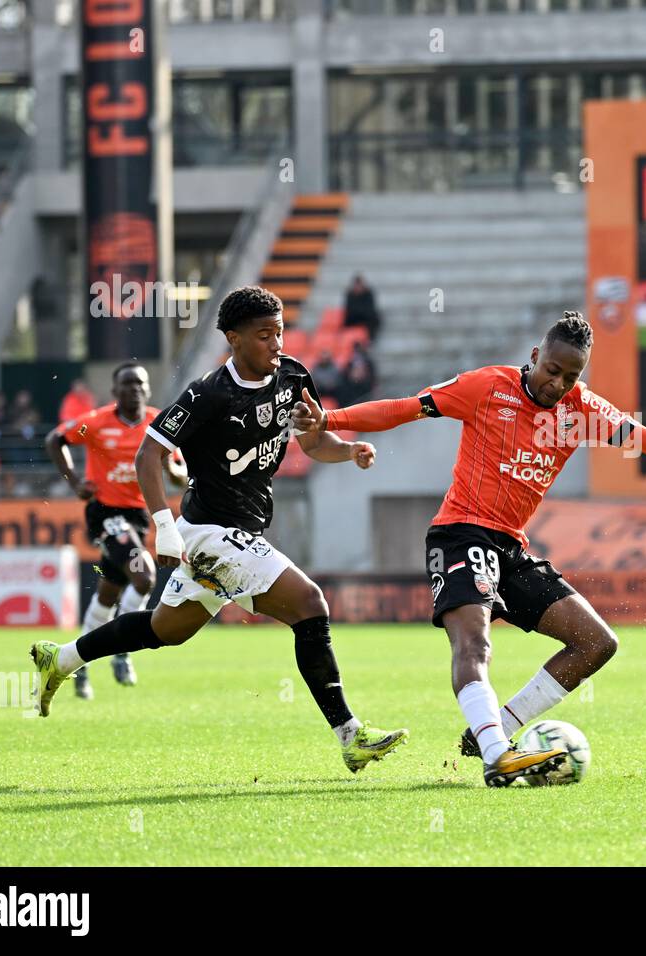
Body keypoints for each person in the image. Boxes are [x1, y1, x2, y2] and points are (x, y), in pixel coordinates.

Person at [292, 311, 646, 787]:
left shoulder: (582, 410)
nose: (558, 384)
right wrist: (332, 418)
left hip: (511, 546)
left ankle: (497, 730)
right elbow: (404, 408)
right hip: (461, 532)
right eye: (553, 370)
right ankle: (498, 756)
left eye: (571, 376)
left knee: (597, 643)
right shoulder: (486, 387)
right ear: (535, 356)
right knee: (475, 642)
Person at [29, 286, 408, 775]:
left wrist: (348, 450)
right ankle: (350, 735)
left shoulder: (292, 375)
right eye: (264, 335)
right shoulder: (208, 395)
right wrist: (164, 526)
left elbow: (312, 441)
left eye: (280, 332)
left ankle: (59, 659)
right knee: (311, 605)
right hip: (209, 532)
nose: (277, 344)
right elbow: (150, 454)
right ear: (233, 338)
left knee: (166, 630)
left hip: (240, 530)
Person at [45, 362, 188, 698]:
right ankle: (122, 651)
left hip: (139, 515)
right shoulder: (95, 423)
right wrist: (75, 481)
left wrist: (176, 473)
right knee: (145, 576)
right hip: (106, 512)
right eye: (126, 385)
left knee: (108, 592)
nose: (133, 390)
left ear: (148, 389)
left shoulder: (158, 422)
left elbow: (175, 467)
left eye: (139, 384)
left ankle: (75, 664)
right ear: (115, 391)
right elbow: (56, 439)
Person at [343, 274, 380, 342]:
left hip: (366, 319)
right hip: (354, 320)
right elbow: (349, 310)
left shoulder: (368, 293)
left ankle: (369, 340)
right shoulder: (350, 294)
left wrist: (359, 311)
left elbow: (370, 309)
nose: (358, 287)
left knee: (375, 319)